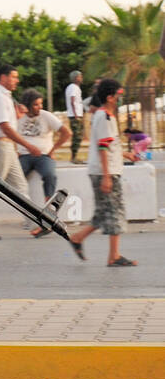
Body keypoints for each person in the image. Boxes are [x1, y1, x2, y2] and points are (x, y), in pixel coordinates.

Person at [69, 79, 138, 266]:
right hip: (105, 172)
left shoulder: (104, 116)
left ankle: (77, 238)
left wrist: (125, 154)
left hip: (104, 170)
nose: (120, 98)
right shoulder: (105, 117)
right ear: (110, 97)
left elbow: (108, 145)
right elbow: (102, 148)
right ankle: (114, 256)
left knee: (103, 213)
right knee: (115, 212)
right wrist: (107, 177)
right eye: (119, 95)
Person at [0, 65, 40, 236]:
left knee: (20, 186)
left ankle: (34, 224)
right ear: (3, 77)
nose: (16, 81)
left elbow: (9, 123)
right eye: (13, 77)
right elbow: (4, 126)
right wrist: (28, 145)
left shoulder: (5, 96)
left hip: (7, 147)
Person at [15, 89, 70, 235]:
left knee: (50, 175)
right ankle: (29, 218)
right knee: (15, 180)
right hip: (24, 156)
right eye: (35, 104)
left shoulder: (46, 116)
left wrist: (53, 150)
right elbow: (10, 135)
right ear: (27, 105)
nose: (39, 107)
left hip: (44, 155)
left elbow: (67, 133)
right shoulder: (19, 118)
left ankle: (48, 215)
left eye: (40, 104)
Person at [65, 68, 84, 160]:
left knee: (78, 136)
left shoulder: (74, 87)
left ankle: (74, 156)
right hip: (75, 115)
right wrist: (76, 114)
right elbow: (73, 101)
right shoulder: (73, 87)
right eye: (80, 76)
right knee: (77, 136)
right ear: (76, 78)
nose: (81, 78)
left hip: (76, 114)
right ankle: (74, 157)